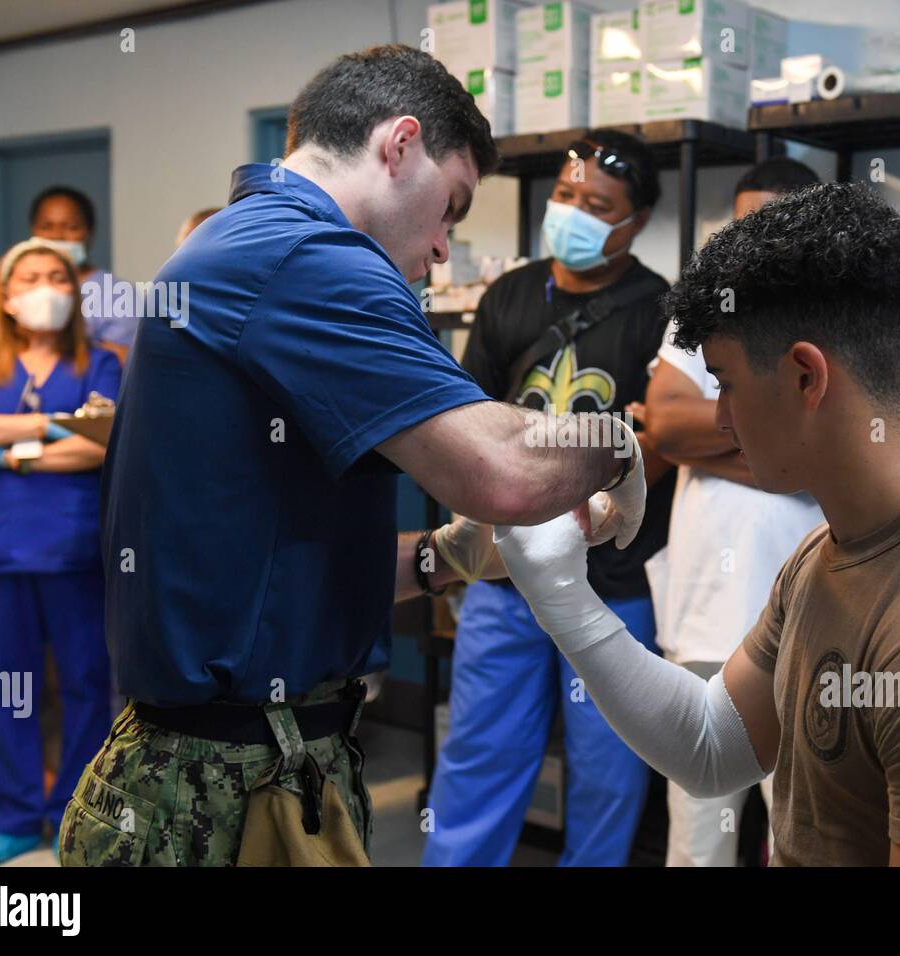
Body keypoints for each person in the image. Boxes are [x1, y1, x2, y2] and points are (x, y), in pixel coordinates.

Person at [58, 45, 645, 867]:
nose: (444, 248)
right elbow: (504, 470)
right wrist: (620, 443)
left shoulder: (252, 244)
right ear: (399, 145)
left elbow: (270, 560)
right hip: (225, 789)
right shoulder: (310, 260)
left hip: (239, 763)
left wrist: (446, 557)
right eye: (451, 207)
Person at [492, 182, 900, 866]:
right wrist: (563, 596)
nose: (720, 420)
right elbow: (712, 745)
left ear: (807, 377)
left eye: (728, 385)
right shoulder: (824, 556)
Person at [422, 130, 673, 867]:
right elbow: (467, 421)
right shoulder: (509, 295)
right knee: (478, 756)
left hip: (612, 586)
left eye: (598, 204)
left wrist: (594, 509)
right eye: (566, 196)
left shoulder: (661, 308)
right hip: (505, 576)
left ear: (637, 221)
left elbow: (664, 437)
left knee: (609, 771)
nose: (574, 212)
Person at [636, 156, 826, 866]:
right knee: (697, 841)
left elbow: (837, 451)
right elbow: (665, 424)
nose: (753, 244)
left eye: (773, 228)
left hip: (812, 623)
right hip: (705, 620)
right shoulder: (704, 308)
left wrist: (705, 441)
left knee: (804, 838)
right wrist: (780, 442)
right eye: (743, 227)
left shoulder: (842, 319)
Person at [0, 239, 121, 866]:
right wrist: (50, 425)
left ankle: (78, 812)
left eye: (57, 276)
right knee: (12, 688)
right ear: (7, 299)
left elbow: (99, 445)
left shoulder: (100, 362)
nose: (45, 287)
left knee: (87, 686)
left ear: (76, 292)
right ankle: (13, 816)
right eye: (31, 277)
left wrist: (8, 447)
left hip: (72, 551)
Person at [0, 186, 135, 363]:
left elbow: (125, 361)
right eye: (47, 226)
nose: (57, 236)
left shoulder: (117, 293)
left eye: (71, 227)